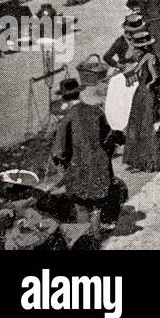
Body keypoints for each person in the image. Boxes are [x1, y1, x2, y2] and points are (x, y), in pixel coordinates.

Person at [51, 78, 116, 243]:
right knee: (95, 206)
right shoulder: (96, 111)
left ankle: (87, 241)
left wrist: (61, 166)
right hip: (99, 165)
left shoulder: (67, 118)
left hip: (79, 167)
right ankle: (96, 237)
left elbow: (60, 151)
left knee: (81, 206)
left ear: (65, 99)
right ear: (79, 93)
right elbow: (109, 136)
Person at [118, 28, 160, 173]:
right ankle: (138, 161)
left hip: (145, 94)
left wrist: (148, 85)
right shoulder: (146, 57)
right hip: (141, 93)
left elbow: (154, 75)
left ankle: (147, 162)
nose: (135, 51)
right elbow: (137, 71)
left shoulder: (150, 58)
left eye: (137, 48)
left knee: (144, 126)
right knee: (137, 125)